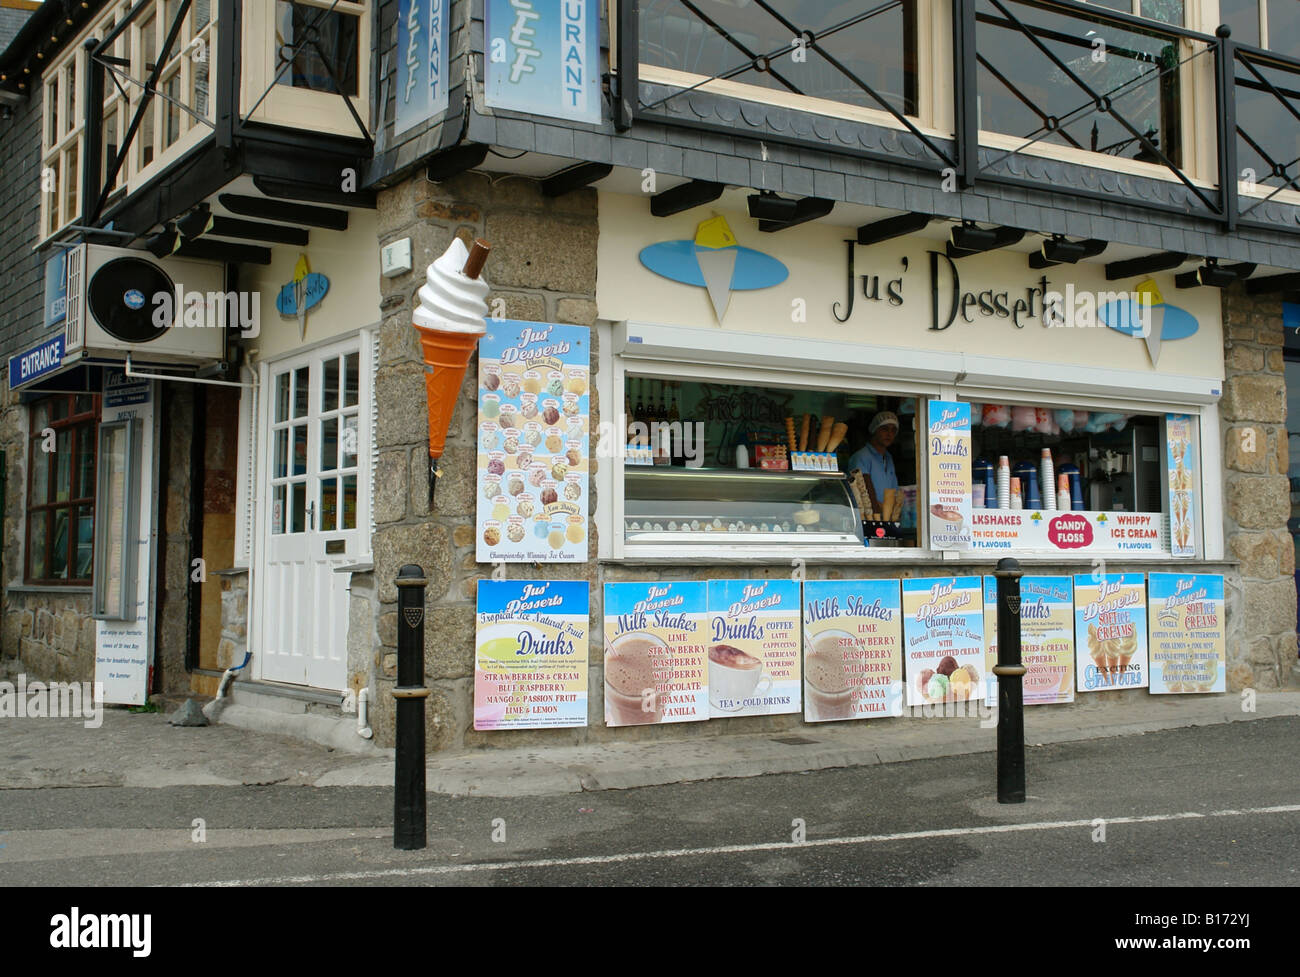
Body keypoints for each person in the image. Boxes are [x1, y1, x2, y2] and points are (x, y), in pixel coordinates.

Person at [848, 411, 899, 497]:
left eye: (893, 430)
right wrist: (878, 509)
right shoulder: (861, 457)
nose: (889, 434)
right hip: (867, 510)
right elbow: (864, 492)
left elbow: (894, 492)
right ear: (874, 429)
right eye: (885, 429)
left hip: (887, 510)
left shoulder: (888, 458)